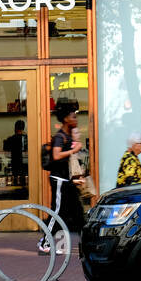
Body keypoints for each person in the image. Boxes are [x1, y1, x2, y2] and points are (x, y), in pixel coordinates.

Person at [39, 103, 84, 255]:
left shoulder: (68, 135)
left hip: (66, 180)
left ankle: (86, 242)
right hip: (58, 179)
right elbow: (56, 155)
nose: (76, 119)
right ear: (66, 119)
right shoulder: (60, 137)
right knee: (57, 211)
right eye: (73, 116)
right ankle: (44, 242)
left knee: (76, 211)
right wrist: (73, 150)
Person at [3, 120, 27, 187]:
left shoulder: (10, 139)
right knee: (24, 183)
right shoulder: (26, 138)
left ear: (15, 128)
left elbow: (5, 151)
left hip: (14, 165)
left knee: (15, 183)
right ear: (23, 128)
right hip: (25, 165)